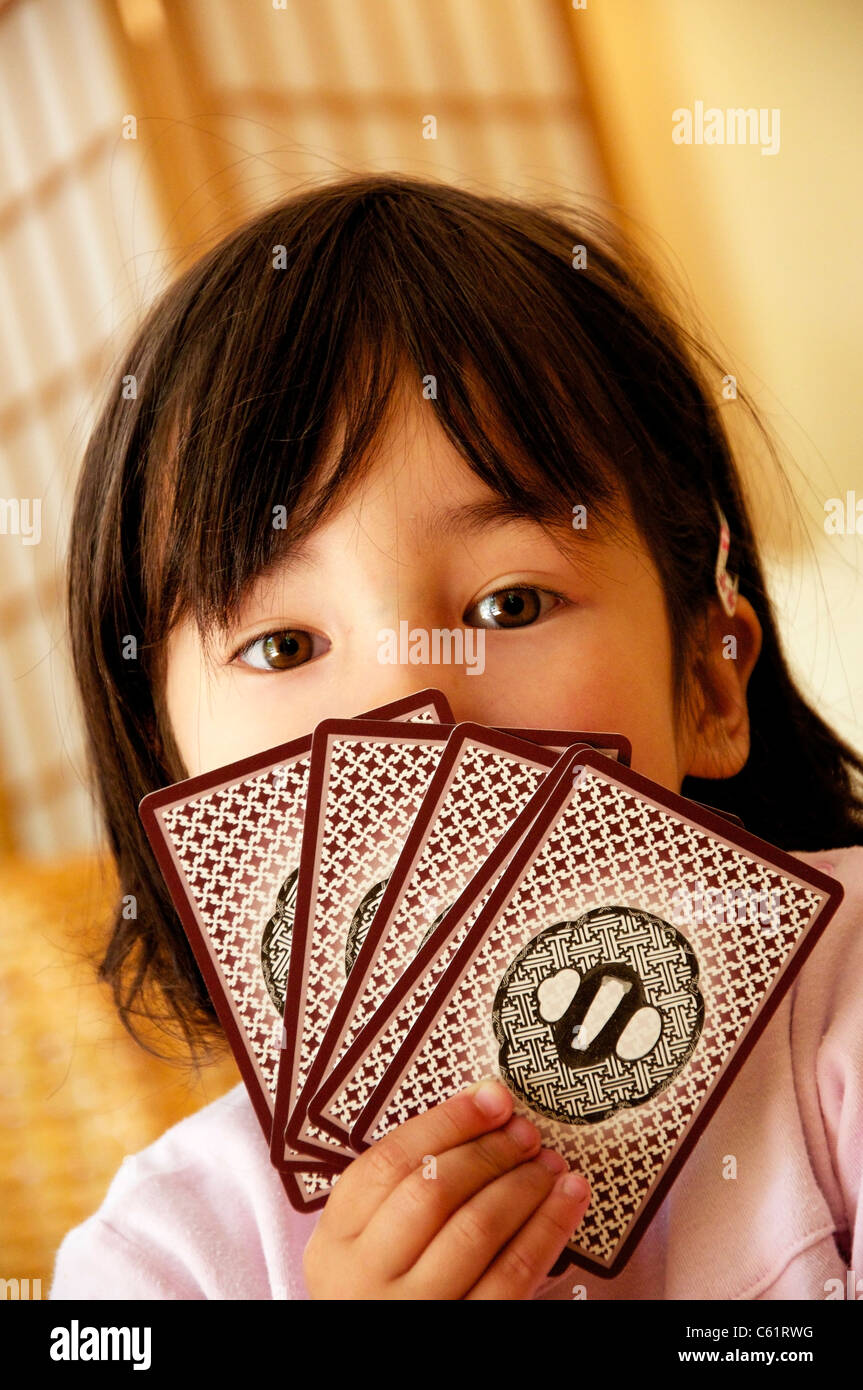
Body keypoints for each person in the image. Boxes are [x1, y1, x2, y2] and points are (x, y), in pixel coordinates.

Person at [51, 174, 863, 1300]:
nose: (408, 715)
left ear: (706, 681)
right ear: (176, 786)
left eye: (508, 605)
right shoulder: (168, 1258)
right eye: (283, 646)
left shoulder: (844, 1008)